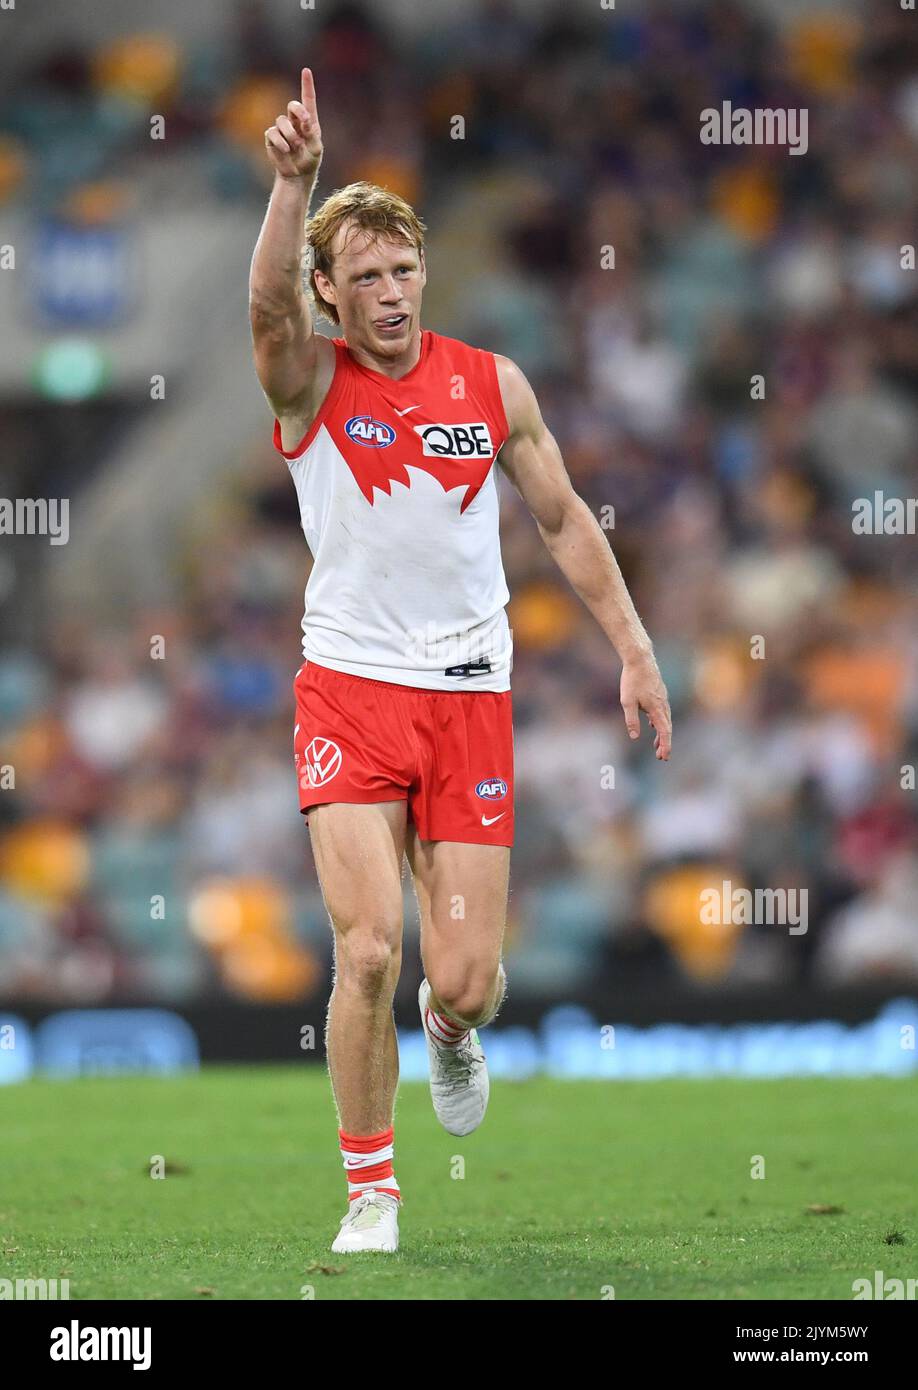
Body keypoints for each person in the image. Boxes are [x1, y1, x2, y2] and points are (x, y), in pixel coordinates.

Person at [248, 68, 672, 1254]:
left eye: (404, 268)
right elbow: (266, 318)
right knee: (369, 946)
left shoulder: (492, 385)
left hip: (470, 695)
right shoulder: (311, 382)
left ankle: (453, 1029)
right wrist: (294, 189)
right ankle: (372, 1191)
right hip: (347, 687)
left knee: (468, 978)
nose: (390, 292)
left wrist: (635, 650)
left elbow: (566, 519)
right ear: (330, 293)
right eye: (364, 276)